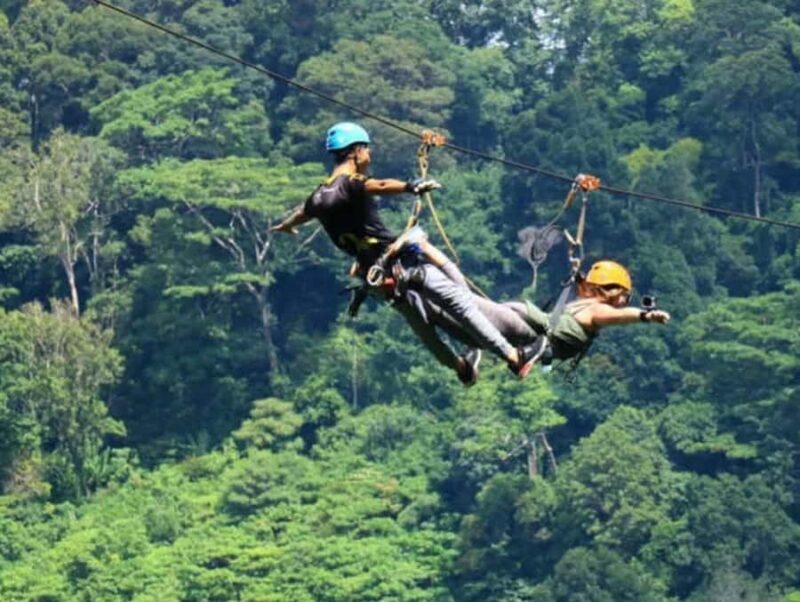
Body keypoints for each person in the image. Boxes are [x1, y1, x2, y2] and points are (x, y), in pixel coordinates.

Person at [270, 122, 539, 385]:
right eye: (367, 149)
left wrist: (286, 226)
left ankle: (462, 368)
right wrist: (410, 186)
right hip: (403, 265)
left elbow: (302, 213)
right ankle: (513, 356)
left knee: (425, 331)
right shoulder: (351, 183)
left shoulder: (318, 196)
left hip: (381, 280)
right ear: (356, 152)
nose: (369, 155)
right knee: (461, 304)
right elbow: (379, 186)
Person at [424, 260, 671, 367]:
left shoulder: (589, 308)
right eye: (625, 296)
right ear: (614, 292)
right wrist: (645, 316)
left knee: (461, 301)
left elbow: (621, 314)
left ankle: (423, 270)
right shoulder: (595, 309)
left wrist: (644, 316)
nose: (625, 301)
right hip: (523, 326)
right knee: (459, 302)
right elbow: (622, 316)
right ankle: (424, 273)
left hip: (524, 328)